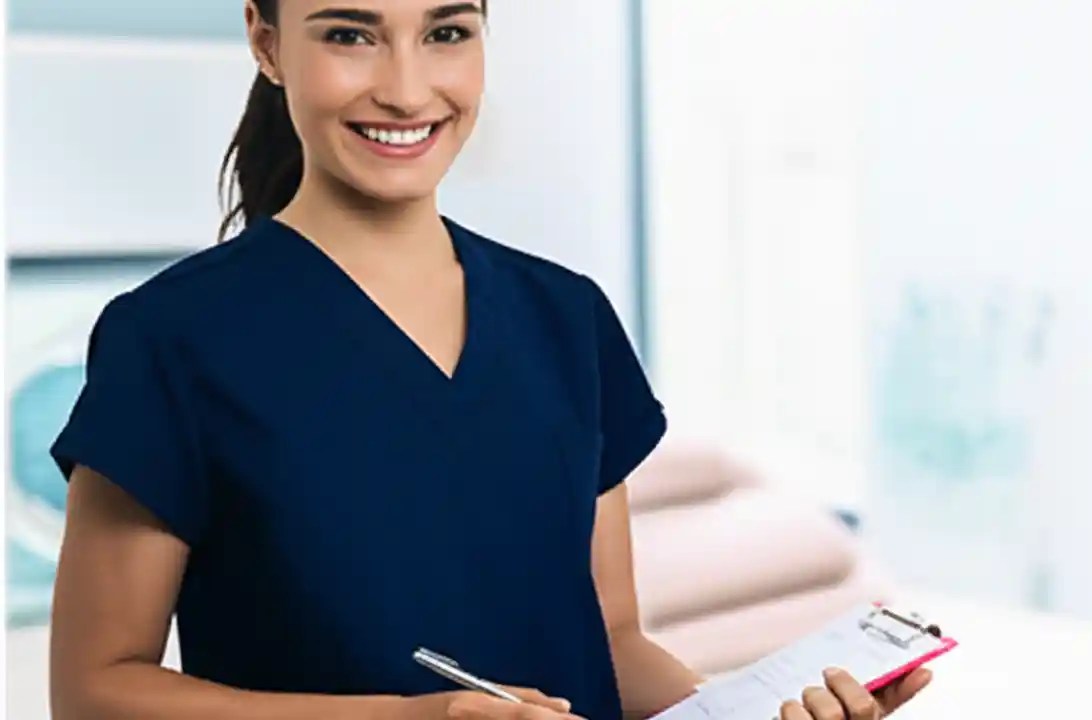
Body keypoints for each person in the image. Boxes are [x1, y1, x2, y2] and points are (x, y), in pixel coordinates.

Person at [46, 2, 932, 719]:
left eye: (446, 32)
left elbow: (613, 645)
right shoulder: (171, 337)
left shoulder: (567, 317)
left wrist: (748, 710)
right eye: (350, 35)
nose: (406, 90)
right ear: (266, 42)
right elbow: (95, 692)